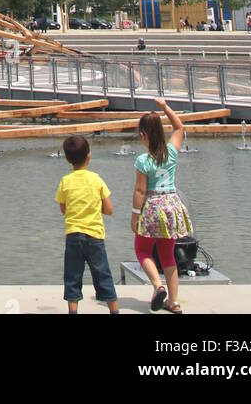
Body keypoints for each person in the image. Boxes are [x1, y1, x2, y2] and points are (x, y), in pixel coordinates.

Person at [131, 98, 193, 313]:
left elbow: (140, 190)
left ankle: (158, 286)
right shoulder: (171, 152)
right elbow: (179, 126)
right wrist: (165, 107)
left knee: (141, 249)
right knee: (168, 254)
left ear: (142, 135)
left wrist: (134, 215)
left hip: (152, 206)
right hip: (172, 204)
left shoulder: (143, 160)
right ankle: (173, 303)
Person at [55, 133, 119, 315]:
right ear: (89, 155)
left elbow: (63, 209)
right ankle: (114, 311)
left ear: (67, 158)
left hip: (73, 236)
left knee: (72, 277)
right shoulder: (96, 179)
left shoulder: (65, 181)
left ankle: (73, 312)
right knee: (103, 276)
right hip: (95, 237)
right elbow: (109, 209)